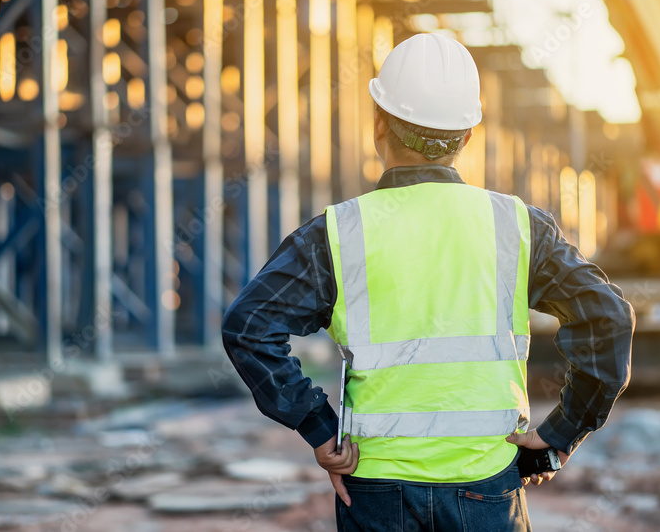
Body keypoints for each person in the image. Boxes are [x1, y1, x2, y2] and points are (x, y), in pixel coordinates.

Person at [222, 33, 635, 531]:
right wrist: (563, 431)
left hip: (375, 489)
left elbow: (248, 327)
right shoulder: (517, 226)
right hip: (486, 483)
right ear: (466, 137)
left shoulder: (336, 233)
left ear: (379, 123)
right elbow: (607, 317)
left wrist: (320, 428)